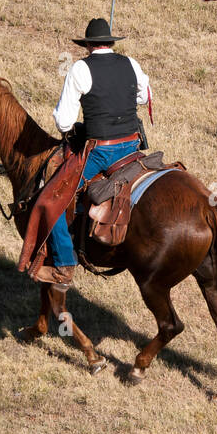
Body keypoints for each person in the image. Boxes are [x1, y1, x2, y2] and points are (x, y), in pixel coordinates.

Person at [42, 17, 151, 281]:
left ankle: (64, 263)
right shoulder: (131, 63)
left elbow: (64, 121)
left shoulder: (80, 69)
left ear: (89, 45)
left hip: (102, 152)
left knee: (52, 198)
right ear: (111, 43)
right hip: (133, 147)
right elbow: (145, 96)